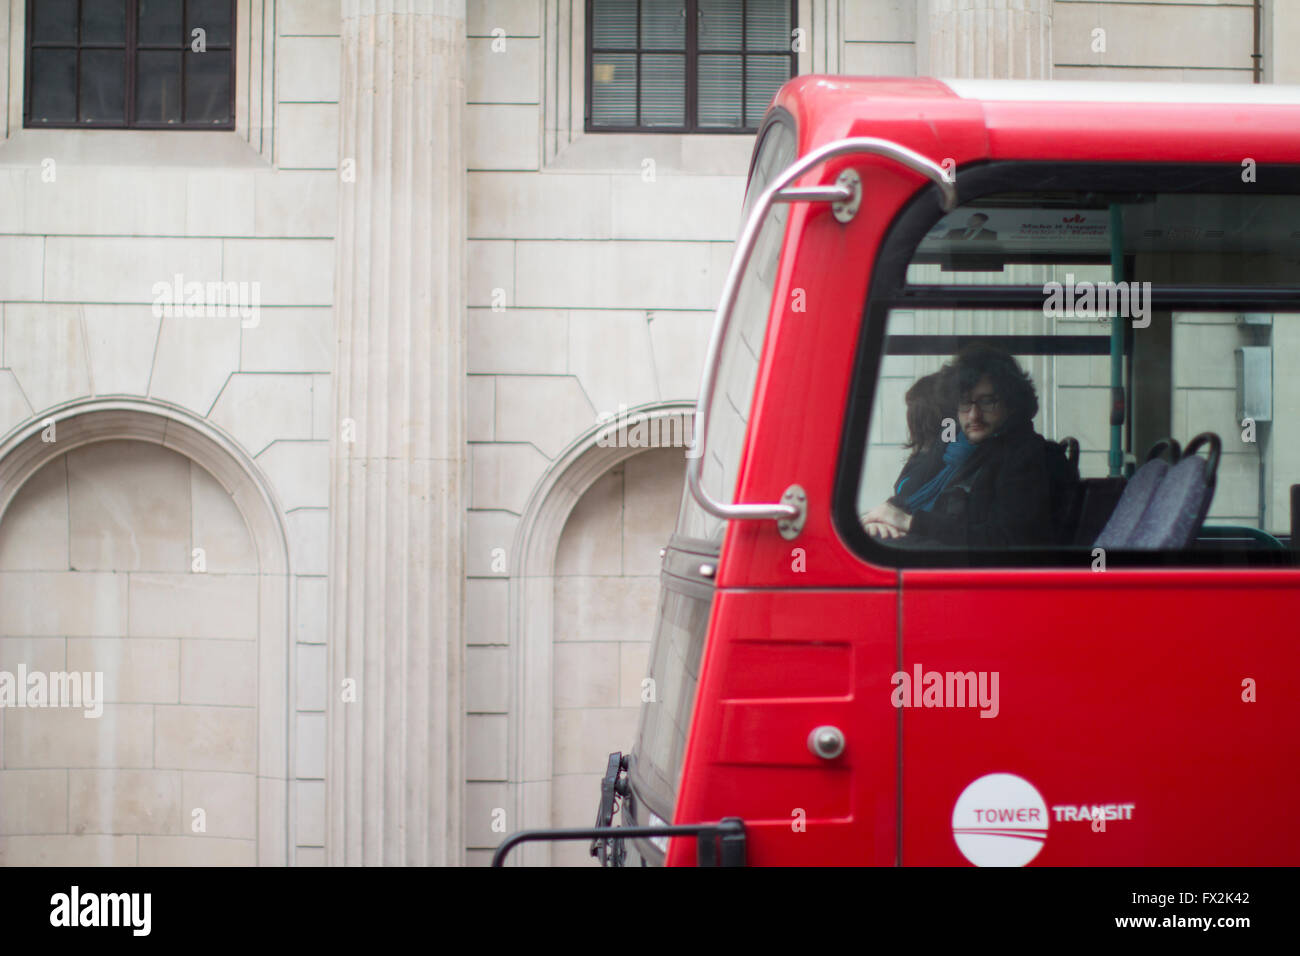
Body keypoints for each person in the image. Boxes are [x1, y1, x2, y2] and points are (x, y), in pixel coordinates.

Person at [862, 344, 1052, 548]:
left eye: (987, 402)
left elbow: (1004, 541)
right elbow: (922, 476)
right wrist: (885, 514)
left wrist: (908, 522)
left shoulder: (1027, 455)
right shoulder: (953, 437)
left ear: (1012, 403)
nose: (974, 415)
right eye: (964, 403)